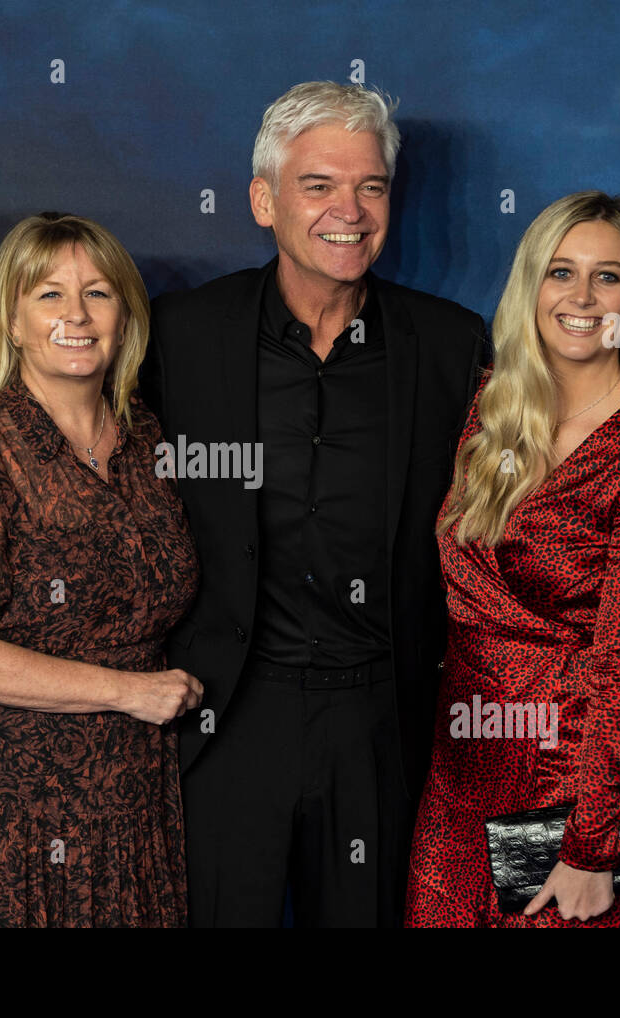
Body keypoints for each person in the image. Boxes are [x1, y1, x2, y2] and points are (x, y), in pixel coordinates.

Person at [140, 81, 486, 927]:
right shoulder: (177, 337)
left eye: (371, 186)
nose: (351, 210)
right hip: (227, 717)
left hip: (380, 723)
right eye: (319, 185)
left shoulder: (450, 345)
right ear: (264, 200)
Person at [403, 191, 620, 927]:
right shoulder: (491, 407)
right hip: (462, 768)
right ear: (531, 285)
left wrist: (592, 847)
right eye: (560, 272)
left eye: (608, 276)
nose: (581, 296)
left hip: (574, 780)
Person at [0, 212, 201, 928]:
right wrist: (127, 691)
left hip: (129, 799)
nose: (76, 314)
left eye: (98, 294)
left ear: (125, 318)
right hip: (9, 809)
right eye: (48, 296)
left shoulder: (145, 438)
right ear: (10, 322)